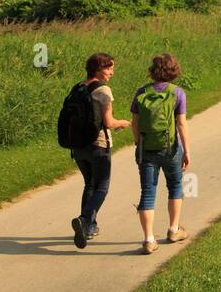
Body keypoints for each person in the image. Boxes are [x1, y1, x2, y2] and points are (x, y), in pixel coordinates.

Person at [131, 53, 192, 254]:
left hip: (147, 150)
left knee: (148, 192)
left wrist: (138, 143)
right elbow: (181, 123)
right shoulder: (178, 93)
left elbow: (135, 122)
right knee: (175, 186)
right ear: (174, 70)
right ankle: (174, 230)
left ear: (153, 70)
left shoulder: (141, 92)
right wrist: (187, 150)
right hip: (171, 148)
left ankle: (149, 240)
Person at [71, 52, 130, 249]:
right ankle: (84, 219)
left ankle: (88, 227)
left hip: (78, 147)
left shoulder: (78, 87)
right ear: (98, 69)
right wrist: (124, 123)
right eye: (109, 68)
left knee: (89, 184)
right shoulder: (103, 90)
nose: (112, 72)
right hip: (98, 145)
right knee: (102, 187)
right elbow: (109, 122)